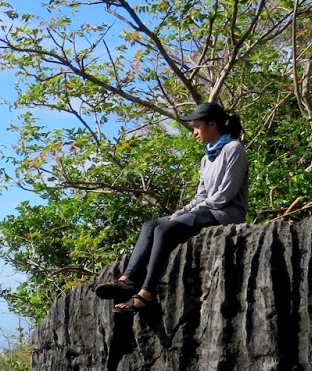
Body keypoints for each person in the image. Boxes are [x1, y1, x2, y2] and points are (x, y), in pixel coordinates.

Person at [95, 102, 247, 313]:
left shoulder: (233, 149)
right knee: (151, 225)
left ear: (212, 124)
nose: (194, 132)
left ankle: (146, 293)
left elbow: (224, 195)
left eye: (197, 125)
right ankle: (126, 280)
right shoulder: (206, 158)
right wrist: (179, 213)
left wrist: (189, 214)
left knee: (164, 230)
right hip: (207, 210)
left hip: (226, 213)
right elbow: (201, 195)